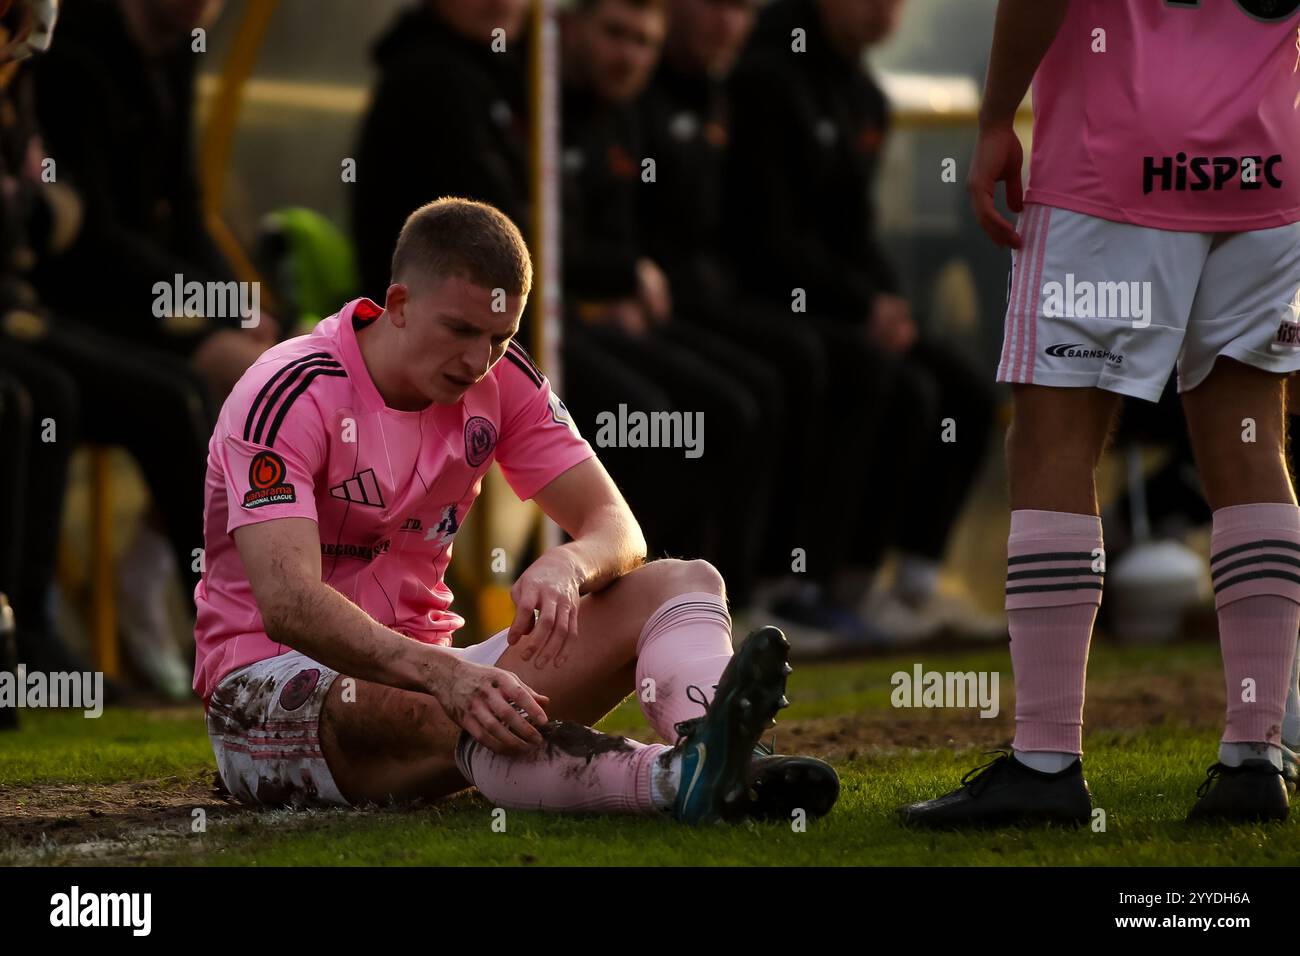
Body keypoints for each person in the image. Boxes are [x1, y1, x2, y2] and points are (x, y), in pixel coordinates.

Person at [195, 197, 839, 823]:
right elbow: (287, 602)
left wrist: (570, 564)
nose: (478, 360)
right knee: (476, 711)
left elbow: (617, 526)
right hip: (268, 688)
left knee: (685, 580)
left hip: (438, 677)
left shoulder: (503, 378)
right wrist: (442, 673)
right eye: (460, 330)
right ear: (397, 304)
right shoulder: (288, 389)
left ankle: (721, 749)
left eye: (500, 337)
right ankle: (674, 779)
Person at [900, 0, 1300, 827]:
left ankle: (1045, 762)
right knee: (1249, 444)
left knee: (1054, 439)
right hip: (1269, 165)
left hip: (1117, 159)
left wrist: (992, 117)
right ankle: (1255, 755)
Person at [725, 0, 997, 643]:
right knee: (869, 377)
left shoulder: (864, 95)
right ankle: (795, 585)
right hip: (769, 299)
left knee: (966, 391)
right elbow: (762, 237)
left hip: (845, 306)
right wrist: (860, 303)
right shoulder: (766, 77)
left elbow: (856, 227)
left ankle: (902, 586)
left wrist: (888, 301)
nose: (884, 11)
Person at [351, 0, 532, 302]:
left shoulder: (494, 72)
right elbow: (501, 226)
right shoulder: (434, 77)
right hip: (440, 324)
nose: (501, 2)